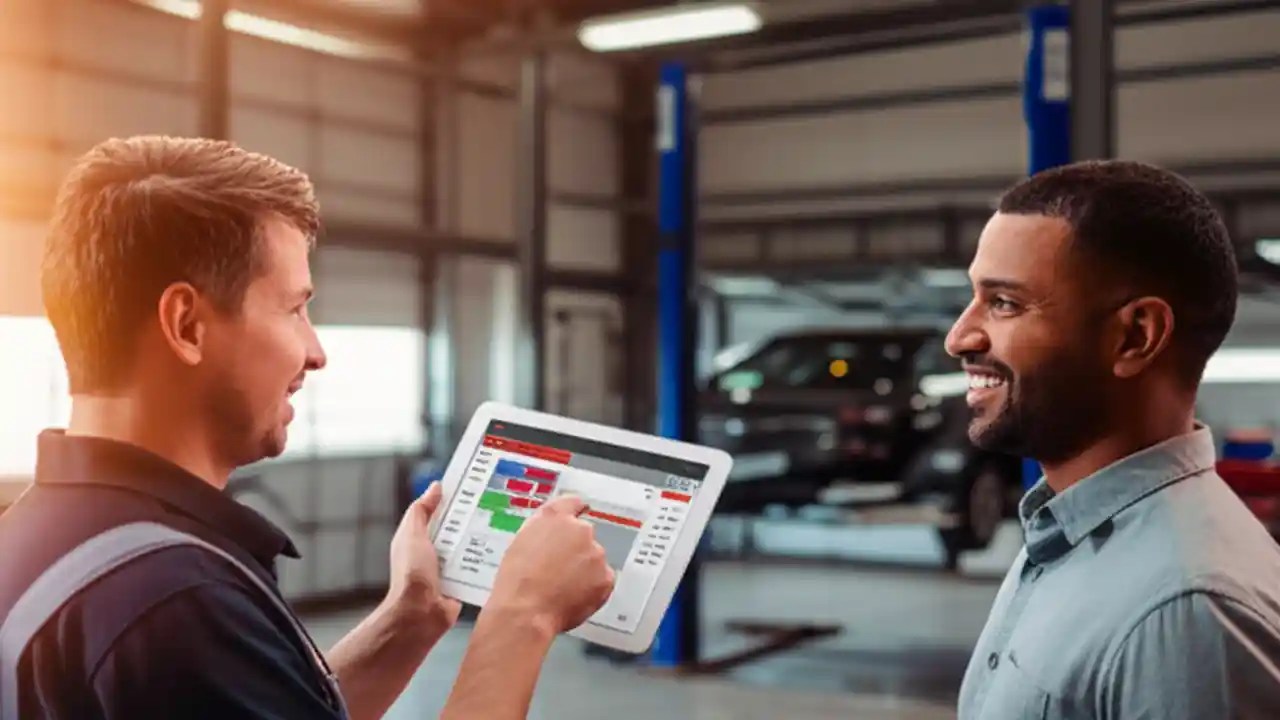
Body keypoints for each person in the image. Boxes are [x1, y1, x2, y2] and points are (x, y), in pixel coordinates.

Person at [0, 135, 615, 719]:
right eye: (294, 308)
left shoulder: (40, 538)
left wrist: (410, 620)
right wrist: (522, 616)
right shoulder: (172, 600)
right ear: (186, 325)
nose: (316, 350)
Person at [948, 159, 1280, 719]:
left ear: (1135, 336)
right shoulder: (1065, 532)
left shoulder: (1185, 611)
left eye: (1005, 303)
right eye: (975, 297)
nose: (960, 336)